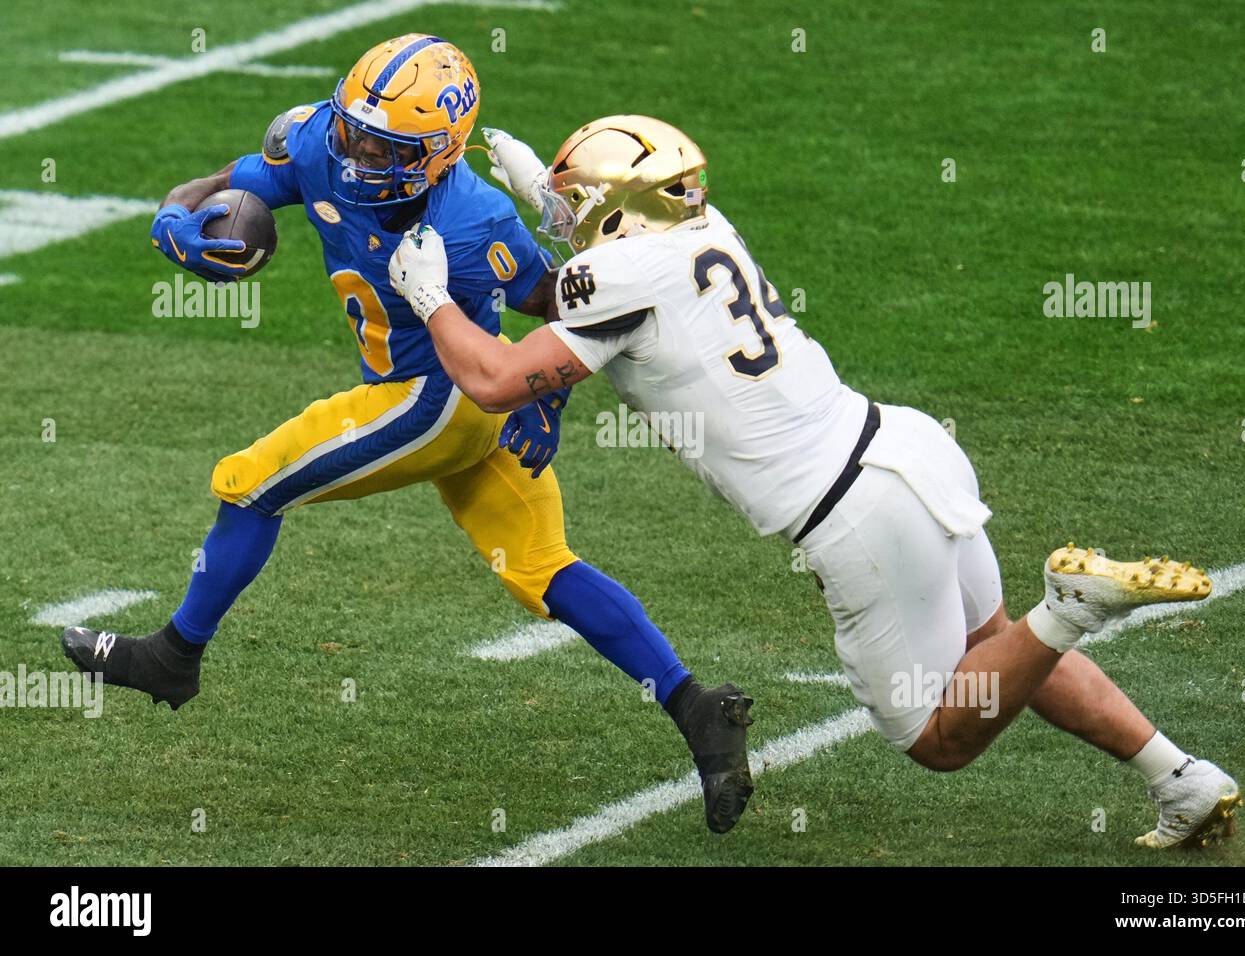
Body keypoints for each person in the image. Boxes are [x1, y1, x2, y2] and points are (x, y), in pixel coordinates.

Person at [388, 115, 1243, 850]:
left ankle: (1074, 606)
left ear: (615, 209)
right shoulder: (706, 225)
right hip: (904, 447)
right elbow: (605, 281)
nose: (571, 214)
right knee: (994, 646)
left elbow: (499, 378)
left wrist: (432, 299)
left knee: (938, 736)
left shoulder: (613, 277)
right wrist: (548, 194)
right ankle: (1182, 776)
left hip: (853, 515)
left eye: (581, 201)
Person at [61, 45, 753, 835]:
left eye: (384, 148)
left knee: (252, 483)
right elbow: (224, 182)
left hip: (437, 400)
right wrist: (174, 222)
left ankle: (174, 656)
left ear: (441, 152)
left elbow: (561, 305)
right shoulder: (322, 143)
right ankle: (695, 706)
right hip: (463, 400)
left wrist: (545, 395)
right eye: (355, 134)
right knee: (540, 566)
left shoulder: (473, 218)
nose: (358, 154)